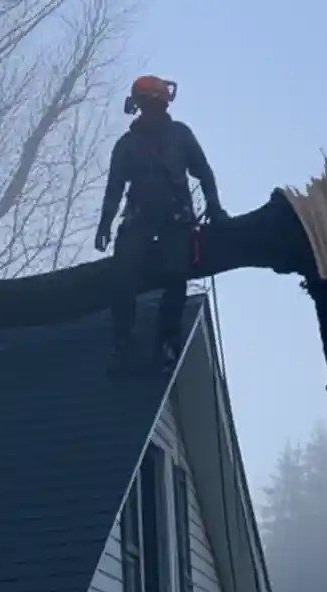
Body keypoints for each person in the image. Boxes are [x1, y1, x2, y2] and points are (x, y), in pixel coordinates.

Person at [94, 75, 227, 374]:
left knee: (176, 276)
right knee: (123, 274)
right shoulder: (128, 145)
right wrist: (105, 223)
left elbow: (203, 172)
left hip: (175, 218)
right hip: (139, 217)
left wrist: (215, 207)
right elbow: (115, 186)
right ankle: (123, 341)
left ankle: (168, 341)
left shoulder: (180, 137)